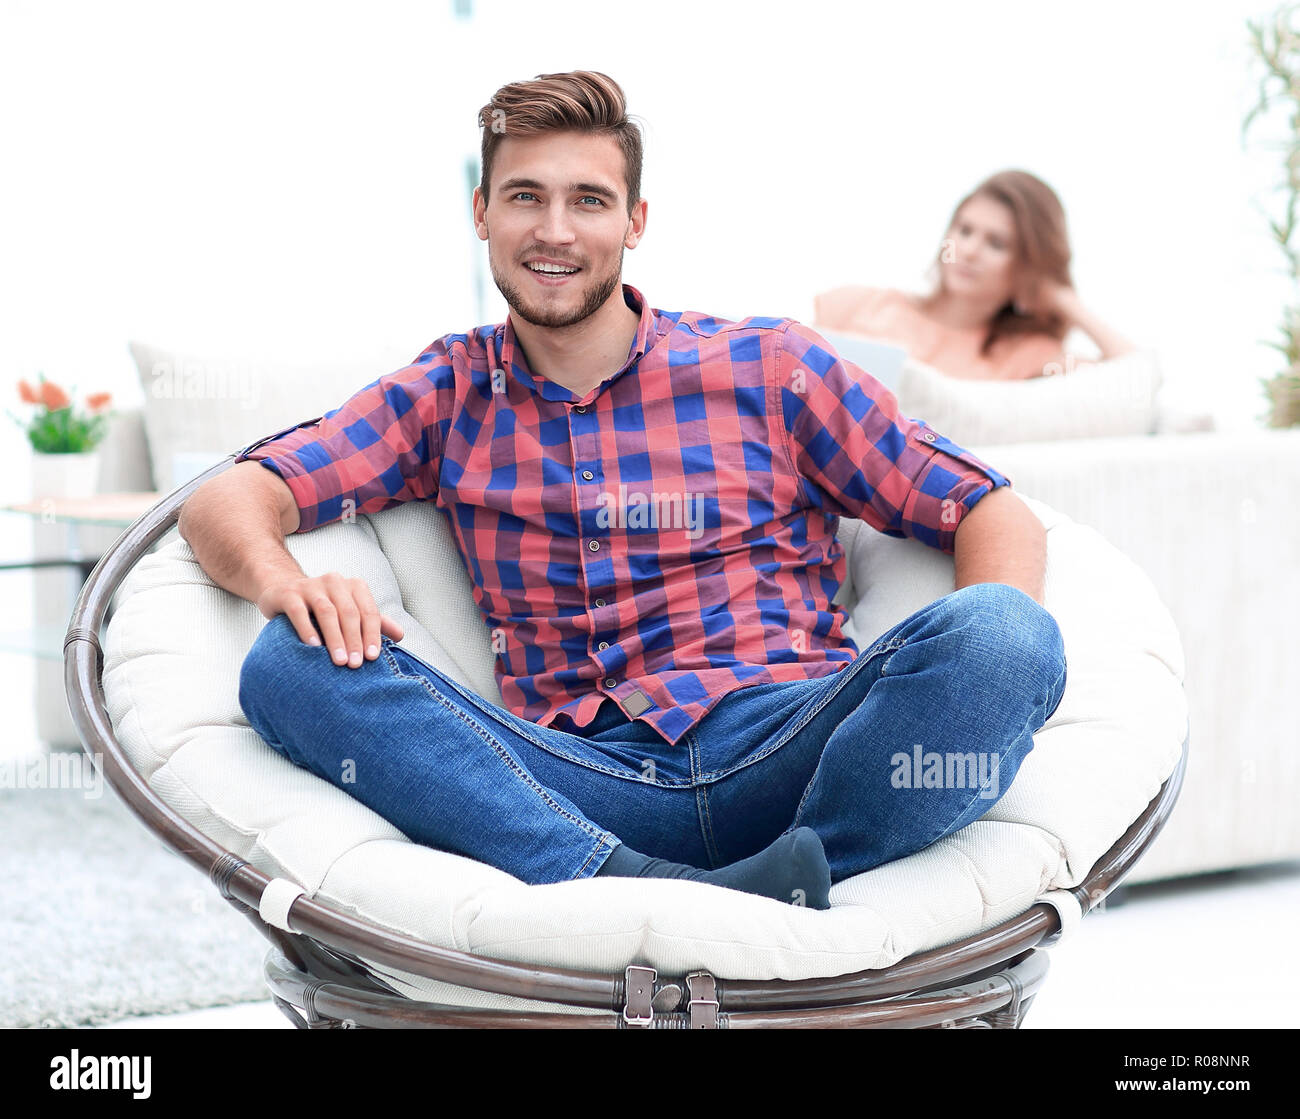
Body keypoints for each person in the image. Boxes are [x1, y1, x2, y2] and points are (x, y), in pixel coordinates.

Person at [180, 72, 1066, 913]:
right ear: (481, 213)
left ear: (635, 220)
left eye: (589, 200)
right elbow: (226, 498)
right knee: (288, 665)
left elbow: (986, 507)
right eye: (525, 195)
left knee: (1003, 636)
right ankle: (650, 885)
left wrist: (973, 664)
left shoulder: (770, 367)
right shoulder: (446, 395)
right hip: (579, 781)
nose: (554, 230)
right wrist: (280, 582)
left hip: (793, 750)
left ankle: (808, 866)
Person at [814, 170, 1136, 381]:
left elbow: (1134, 374)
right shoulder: (857, 304)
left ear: (1029, 264)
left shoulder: (1028, 355)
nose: (969, 251)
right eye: (965, 230)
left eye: (997, 243)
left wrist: (1061, 297)